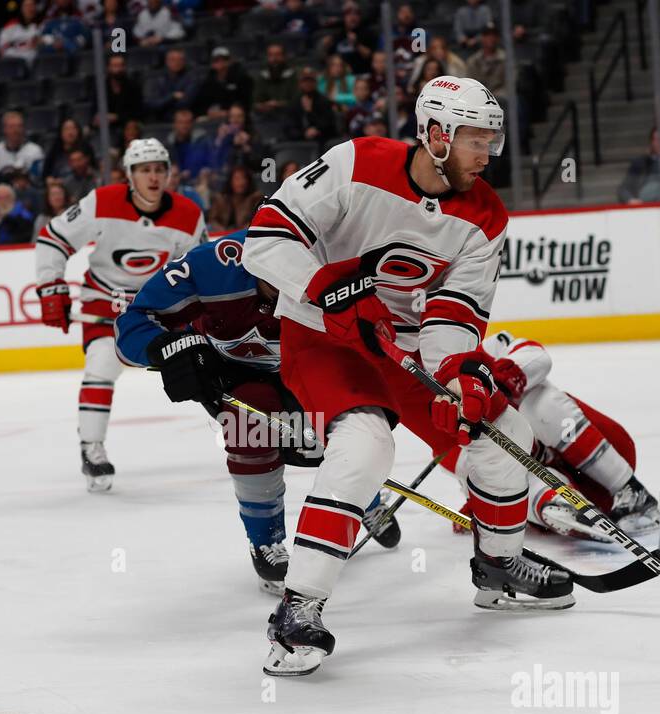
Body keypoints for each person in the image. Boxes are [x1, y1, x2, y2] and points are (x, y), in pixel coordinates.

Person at [242, 76, 575, 679]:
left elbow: (455, 310)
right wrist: (323, 288)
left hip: (406, 345)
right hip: (323, 337)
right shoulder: (355, 162)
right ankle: (299, 608)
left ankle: (497, 565)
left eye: (493, 140)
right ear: (437, 135)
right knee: (364, 446)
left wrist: (458, 373)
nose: (488, 154)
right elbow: (265, 240)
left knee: (507, 436)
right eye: (478, 140)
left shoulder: (485, 216)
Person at [115, 230, 403, 593]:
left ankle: (366, 500)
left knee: (346, 433)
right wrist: (168, 347)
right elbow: (135, 322)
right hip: (235, 371)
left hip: (314, 363)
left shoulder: (340, 264)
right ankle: (265, 540)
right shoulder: (211, 264)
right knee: (248, 427)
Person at [35, 138, 207, 491]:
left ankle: (249, 439)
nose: (154, 177)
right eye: (145, 170)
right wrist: (51, 286)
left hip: (156, 309)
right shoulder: (102, 202)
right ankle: (92, 448)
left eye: (160, 169)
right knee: (101, 364)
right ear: (130, 175)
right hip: (104, 301)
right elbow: (53, 238)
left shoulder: (189, 215)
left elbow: (200, 269)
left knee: (199, 368)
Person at [474, 329, 660, 542]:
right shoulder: (441, 402)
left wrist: (507, 375)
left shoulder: (488, 349)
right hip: (550, 482)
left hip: (603, 458)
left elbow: (536, 354)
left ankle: (630, 489)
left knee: (539, 403)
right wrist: (479, 498)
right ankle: (563, 506)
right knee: (490, 468)